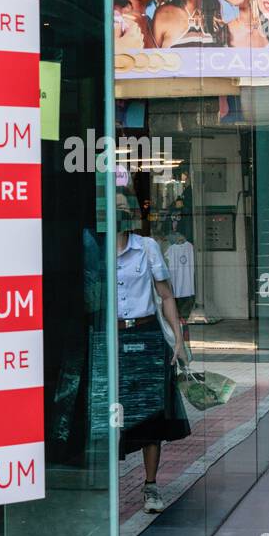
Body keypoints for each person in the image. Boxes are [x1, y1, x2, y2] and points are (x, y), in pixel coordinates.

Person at [114, 193, 190, 514]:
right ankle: (109, 487)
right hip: (112, 336)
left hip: (145, 334)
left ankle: (150, 485)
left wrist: (178, 339)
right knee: (113, 412)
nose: (117, 213)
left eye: (122, 208)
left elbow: (166, 295)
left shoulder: (147, 248)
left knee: (152, 413)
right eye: (111, 207)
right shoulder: (93, 248)